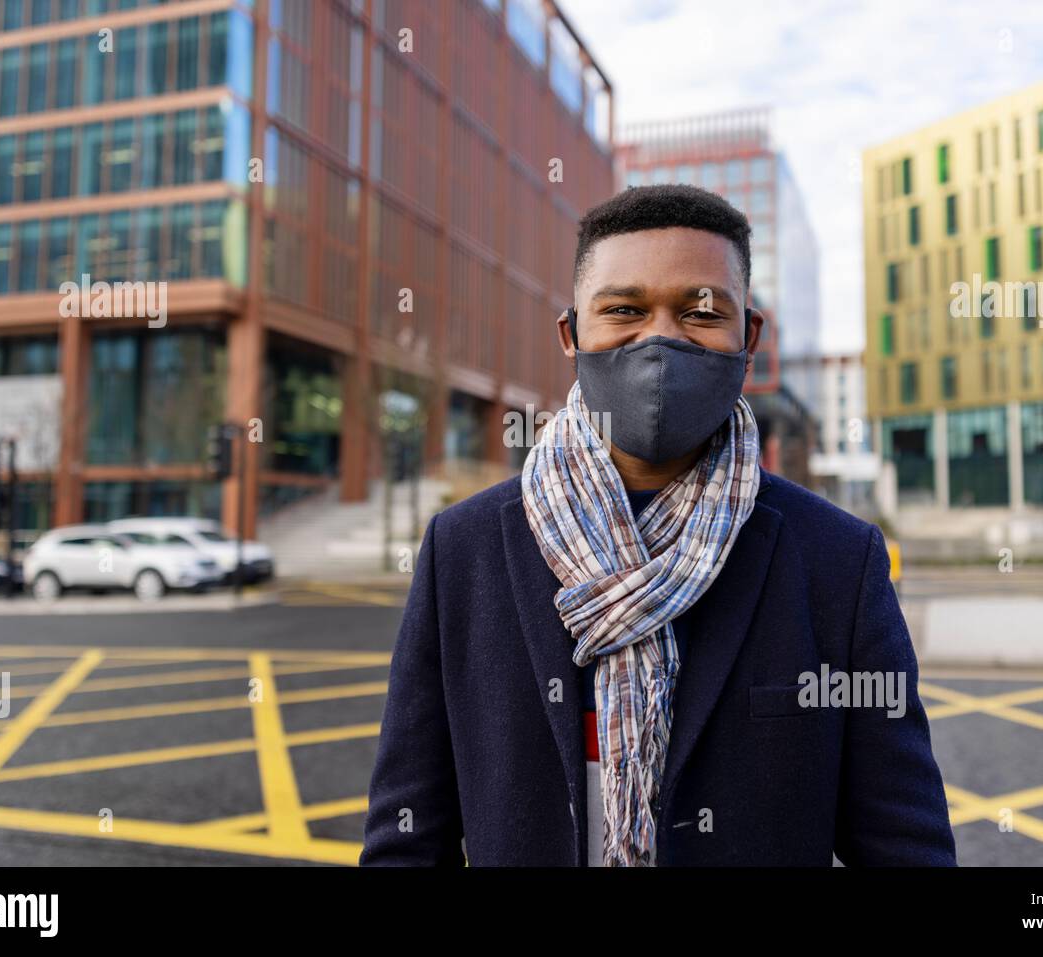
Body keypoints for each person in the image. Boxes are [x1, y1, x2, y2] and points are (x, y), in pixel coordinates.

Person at [360, 184, 956, 867]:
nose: (661, 339)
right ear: (572, 333)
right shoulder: (461, 552)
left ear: (748, 336)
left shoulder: (837, 562)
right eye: (625, 309)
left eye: (701, 311)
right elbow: (407, 842)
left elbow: (906, 849)